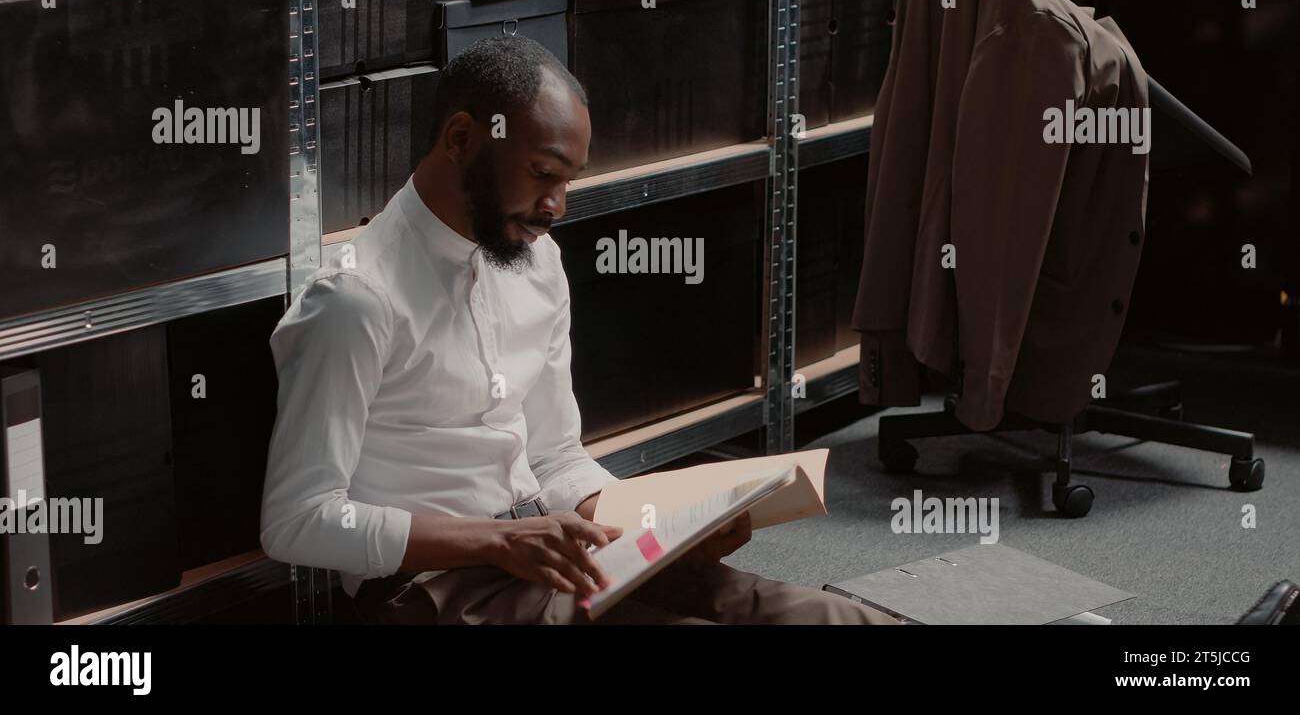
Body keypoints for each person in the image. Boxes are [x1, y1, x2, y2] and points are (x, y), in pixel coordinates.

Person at [259, 36, 896, 625]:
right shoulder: (353, 301)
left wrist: (665, 525)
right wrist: (500, 540)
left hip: (553, 544)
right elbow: (296, 520)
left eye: (569, 181)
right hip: (436, 589)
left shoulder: (537, 263)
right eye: (543, 173)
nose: (557, 205)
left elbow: (556, 457)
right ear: (461, 139)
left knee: (833, 619)